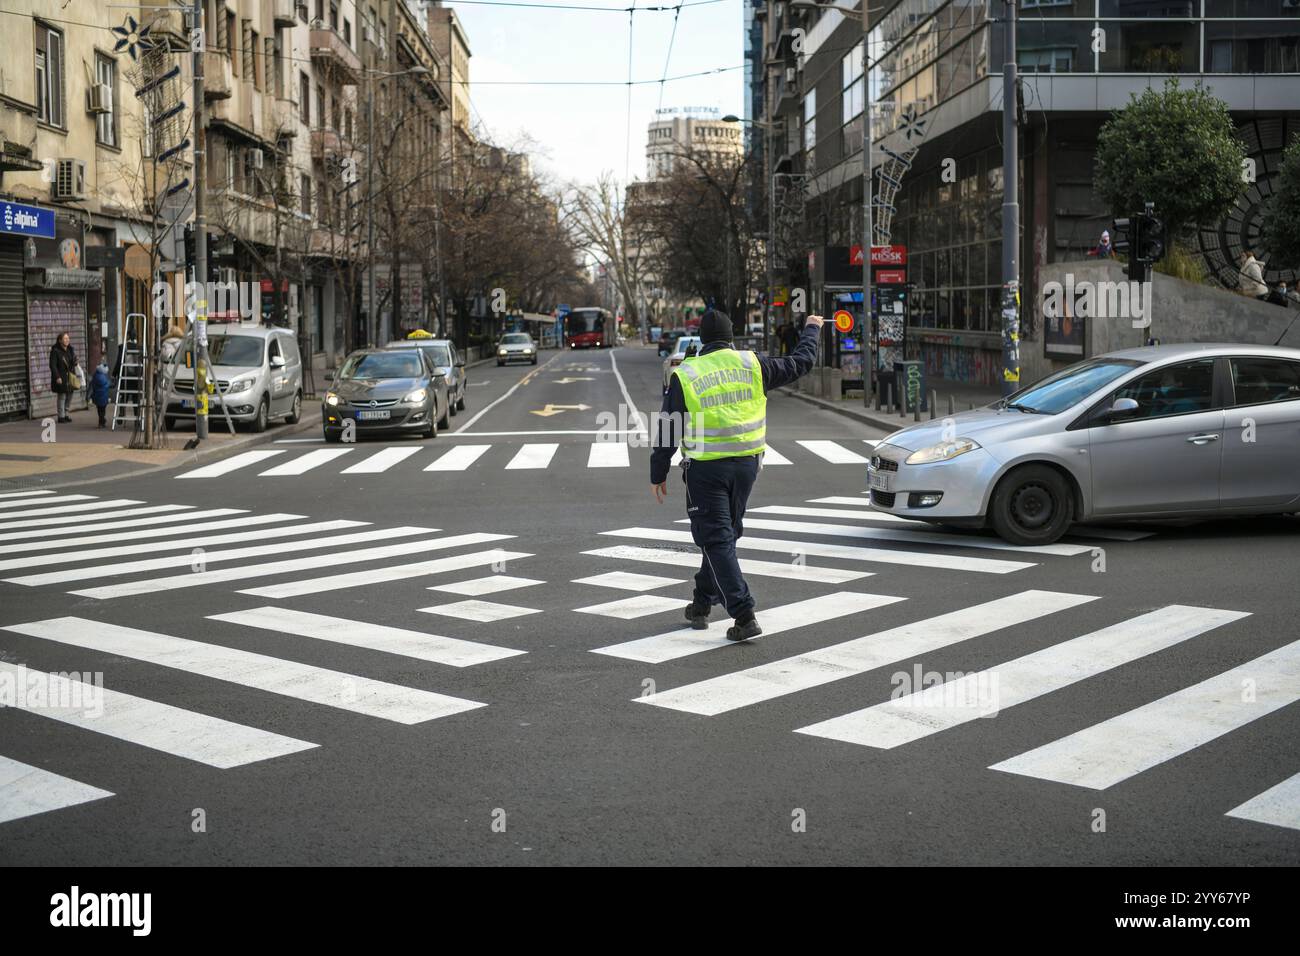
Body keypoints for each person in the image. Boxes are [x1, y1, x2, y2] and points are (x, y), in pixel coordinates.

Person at [650, 308, 824, 641]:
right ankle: (701, 604)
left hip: (706, 468)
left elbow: (669, 427)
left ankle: (744, 614)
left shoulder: (687, 373)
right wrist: (813, 328)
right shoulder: (753, 364)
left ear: (702, 340)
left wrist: (658, 471)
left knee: (716, 538)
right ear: (731, 337)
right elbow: (801, 362)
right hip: (747, 466)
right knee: (722, 536)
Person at [48, 332, 78, 424]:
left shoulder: (70, 350)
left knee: (70, 395)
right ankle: (61, 416)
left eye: (68, 338)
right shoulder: (55, 351)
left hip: (70, 376)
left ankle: (66, 414)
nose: (67, 340)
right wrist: (57, 377)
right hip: (61, 376)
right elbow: (52, 365)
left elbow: (72, 362)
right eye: (65, 338)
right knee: (62, 396)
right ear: (60, 340)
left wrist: (75, 362)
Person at [90, 359, 112, 428]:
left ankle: (101, 421)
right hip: (103, 397)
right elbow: (106, 384)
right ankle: (102, 421)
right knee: (102, 410)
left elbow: (92, 385)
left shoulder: (96, 375)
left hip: (97, 396)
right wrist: (112, 383)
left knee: (99, 410)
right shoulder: (102, 377)